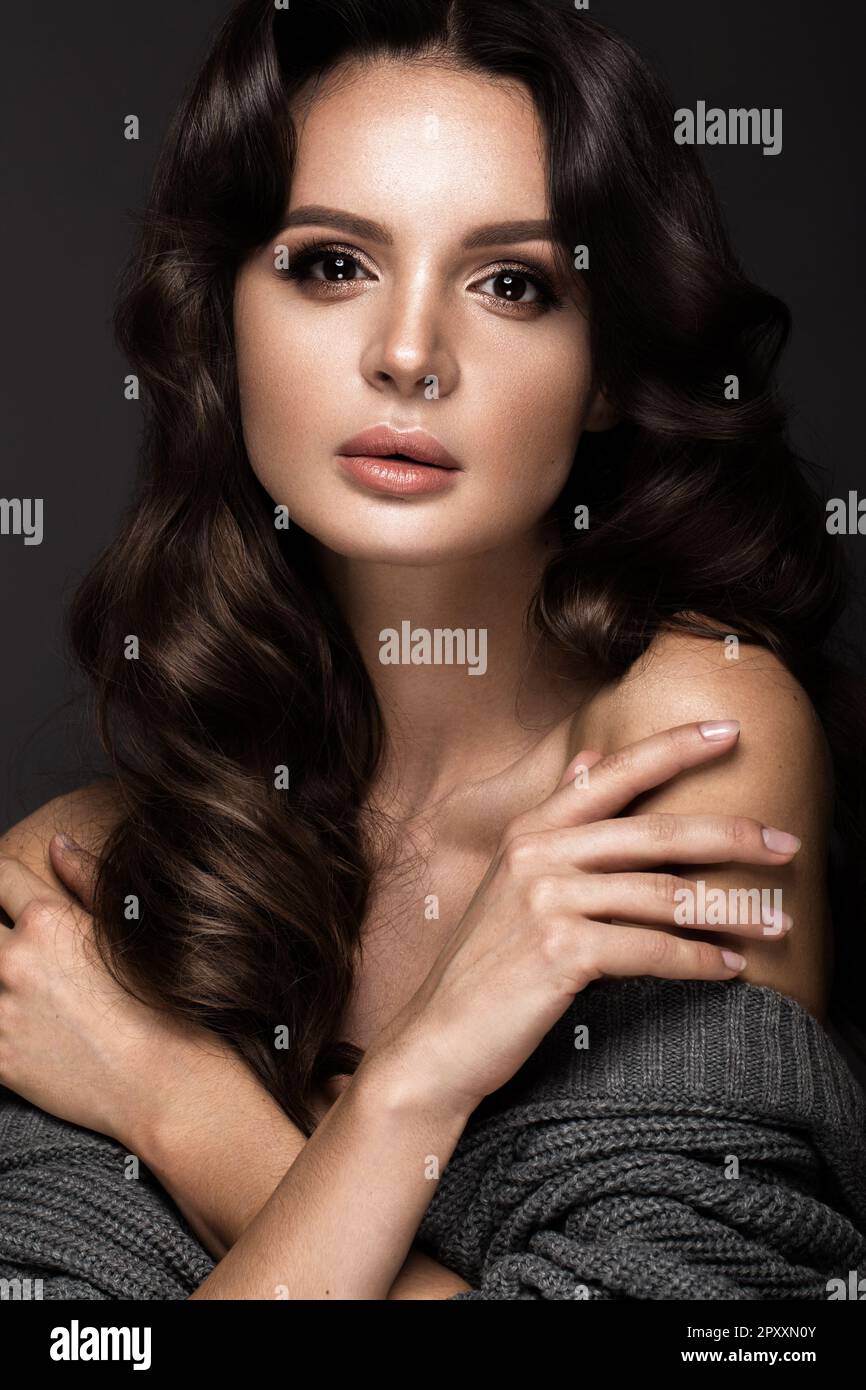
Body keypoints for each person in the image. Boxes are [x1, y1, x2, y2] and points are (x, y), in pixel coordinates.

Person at [0, 0, 864, 1300]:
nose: (407, 354)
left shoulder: (687, 748)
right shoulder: (71, 902)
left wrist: (185, 1110)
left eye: (513, 283)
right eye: (329, 264)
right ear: (222, 318)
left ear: (610, 364)